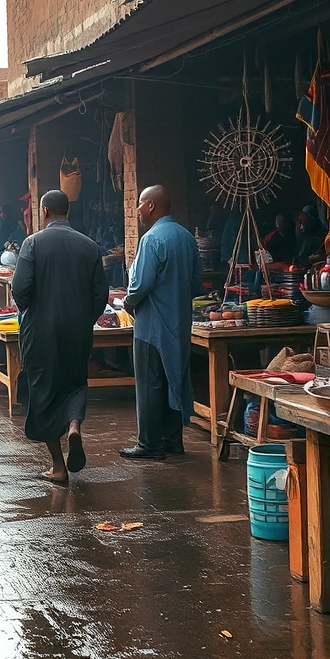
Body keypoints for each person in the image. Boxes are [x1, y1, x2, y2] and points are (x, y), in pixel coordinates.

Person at [11, 190, 110, 486]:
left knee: (43, 390)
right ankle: (75, 426)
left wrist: (33, 312)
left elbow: (20, 289)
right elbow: (100, 295)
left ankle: (58, 466)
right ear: (67, 211)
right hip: (77, 332)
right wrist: (84, 320)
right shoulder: (89, 246)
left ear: (43, 212)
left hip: (41, 334)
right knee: (75, 382)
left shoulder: (33, 244)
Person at [121, 185, 198, 459]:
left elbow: (140, 285)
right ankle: (172, 440)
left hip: (151, 326)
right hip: (179, 323)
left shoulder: (152, 239)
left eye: (141, 204)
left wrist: (127, 303)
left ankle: (150, 444)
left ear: (152, 206)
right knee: (173, 379)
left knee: (149, 383)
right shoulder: (187, 238)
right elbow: (195, 282)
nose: (138, 209)